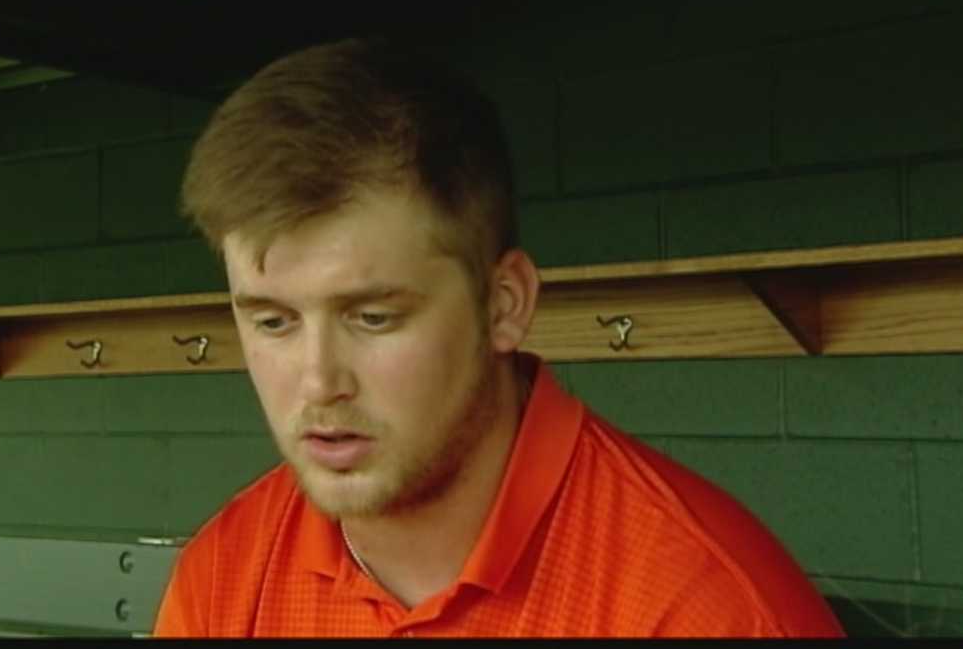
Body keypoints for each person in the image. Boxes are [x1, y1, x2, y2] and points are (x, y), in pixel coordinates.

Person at [152, 37, 845, 638]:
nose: (318, 380)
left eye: (373, 317)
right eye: (273, 320)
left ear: (504, 305)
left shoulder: (707, 605)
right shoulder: (223, 577)